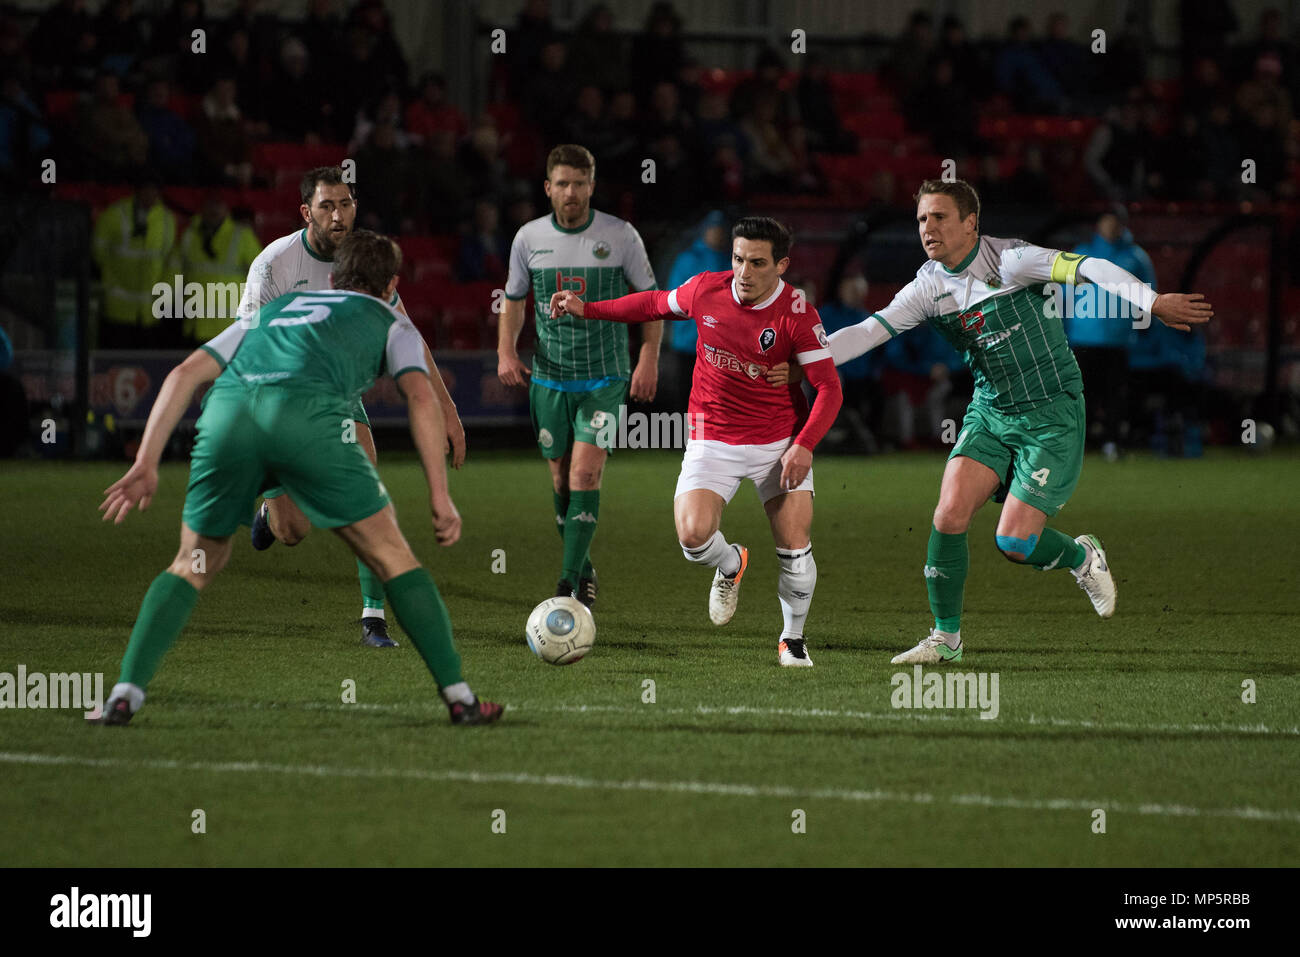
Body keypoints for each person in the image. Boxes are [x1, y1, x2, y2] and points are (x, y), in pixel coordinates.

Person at [769, 180, 1211, 664]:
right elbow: (868, 331)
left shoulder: (1013, 261)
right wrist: (810, 361)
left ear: (971, 223)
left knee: (1015, 543)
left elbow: (1092, 267)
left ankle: (1082, 557)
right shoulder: (927, 288)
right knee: (948, 514)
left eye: (939, 217)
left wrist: (1152, 301)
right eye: (921, 219)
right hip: (991, 411)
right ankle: (947, 639)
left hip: (1052, 413)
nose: (928, 228)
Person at [93, 231, 502, 727]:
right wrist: (440, 494)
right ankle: (460, 699)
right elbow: (420, 399)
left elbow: (183, 373)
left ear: (332, 277)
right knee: (392, 556)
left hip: (228, 419)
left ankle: (124, 694)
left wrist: (146, 463)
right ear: (392, 284)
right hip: (308, 423)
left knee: (193, 564)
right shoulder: (394, 322)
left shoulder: (277, 308)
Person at [550, 216, 843, 667]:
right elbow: (651, 304)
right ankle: (731, 564)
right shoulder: (706, 289)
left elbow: (830, 388)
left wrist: (803, 445)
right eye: (738, 258)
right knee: (692, 538)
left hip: (778, 444)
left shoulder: (798, 313)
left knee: (795, 551)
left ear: (782, 265)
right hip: (714, 438)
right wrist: (587, 308)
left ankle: (792, 639)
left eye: (758, 263)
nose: (744, 272)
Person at [239, 166, 467, 648]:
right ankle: (267, 515)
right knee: (294, 531)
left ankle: (372, 620)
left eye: (345, 204)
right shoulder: (273, 265)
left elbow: (406, 333)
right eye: (327, 206)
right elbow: (247, 348)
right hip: (277, 402)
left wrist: (446, 407)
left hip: (338, 397)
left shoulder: (363, 262)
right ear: (306, 212)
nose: (338, 215)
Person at [497, 144, 660, 608]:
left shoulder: (620, 235)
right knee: (560, 480)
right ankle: (582, 565)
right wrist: (505, 351)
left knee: (585, 476)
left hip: (605, 377)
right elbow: (512, 300)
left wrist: (648, 356)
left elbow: (650, 301)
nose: (571, 193)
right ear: (548, 188)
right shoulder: (528, 238)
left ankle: (567, 586)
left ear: (593, 186)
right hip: (549, 377)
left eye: (580, 184)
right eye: (562, 184)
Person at [1068, 209, 1155, 460]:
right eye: (1107, 222)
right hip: (1083, 337)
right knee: (1080, 395)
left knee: (1115, 394)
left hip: (1118, 339)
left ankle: (1111, 442)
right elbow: (1063, 293)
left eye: (1115, 223)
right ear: (1099, 225)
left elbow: (1149, 295)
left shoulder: (1136, 257)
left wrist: (1142, 332)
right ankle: (1078, 444)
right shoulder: (1081, 253)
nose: (1111, 227)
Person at [92, 175, 178, 349]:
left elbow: (171, 262)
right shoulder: (114, 215)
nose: (150, 194)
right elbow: (98, 254)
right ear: (137, 191)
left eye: (154, 190)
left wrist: (164, 296)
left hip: (150, 311)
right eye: (146, 189)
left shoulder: (167, 220)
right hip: (117, 308)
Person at [170, 193, 262, 345]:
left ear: (226, 210)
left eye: (218, 206)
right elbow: (175, 269)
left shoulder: (242, 235)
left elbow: (262, 273)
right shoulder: (189, 235)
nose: (214, 211)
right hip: (196, 323)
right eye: (210, 206)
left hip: (230, 326)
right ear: (202, 209)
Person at [661, 211, 730, 410]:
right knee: (686, 391)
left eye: (721, 230)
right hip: (688, 341)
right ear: (705, 231)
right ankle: (684, 436)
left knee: (715, 394)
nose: (717, 235)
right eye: (714, 230)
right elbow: (676, 295)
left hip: (718, 345)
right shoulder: (688, 259)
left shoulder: (730, 260)